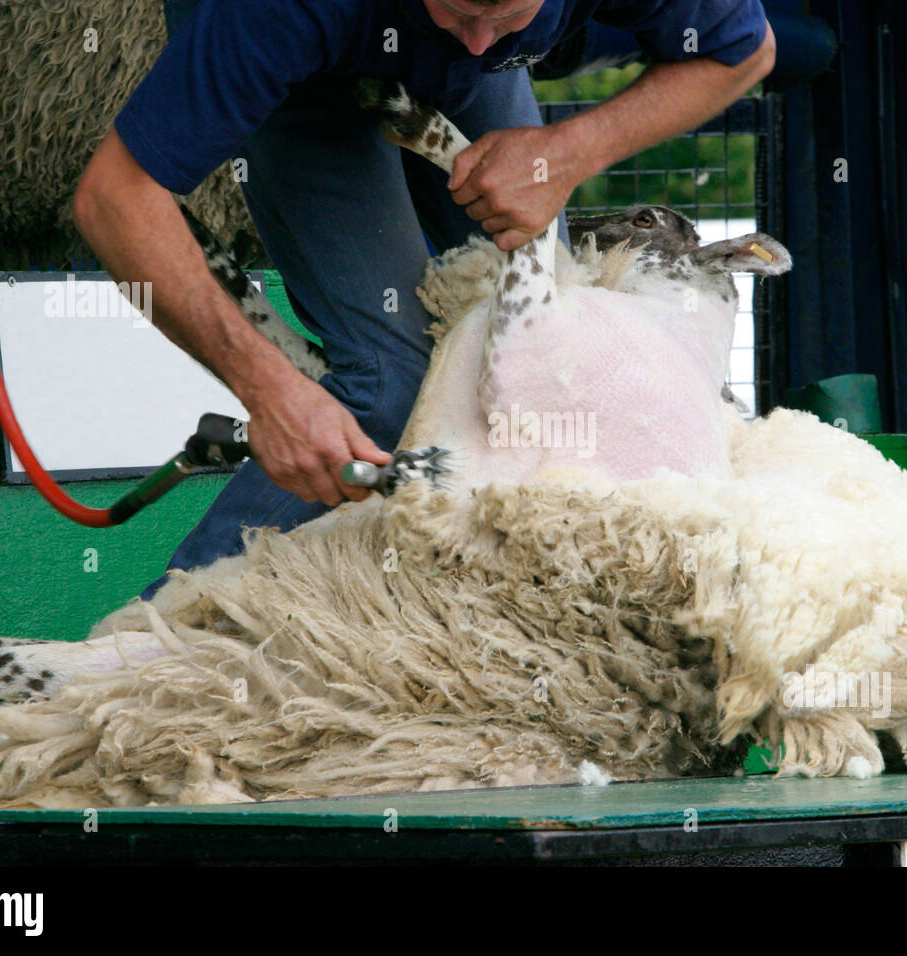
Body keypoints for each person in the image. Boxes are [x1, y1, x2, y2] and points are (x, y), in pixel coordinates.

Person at [71, 0, 774, 598]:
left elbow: (746, 52)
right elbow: (113, 200)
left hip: (474, 72)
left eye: (505, 8)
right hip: (316, 62)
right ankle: (149, 653)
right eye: (462, 6)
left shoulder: (478, 36)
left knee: (544, 354)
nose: (475, 32)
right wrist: (271, 391)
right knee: (391, 382)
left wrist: (566, 152)